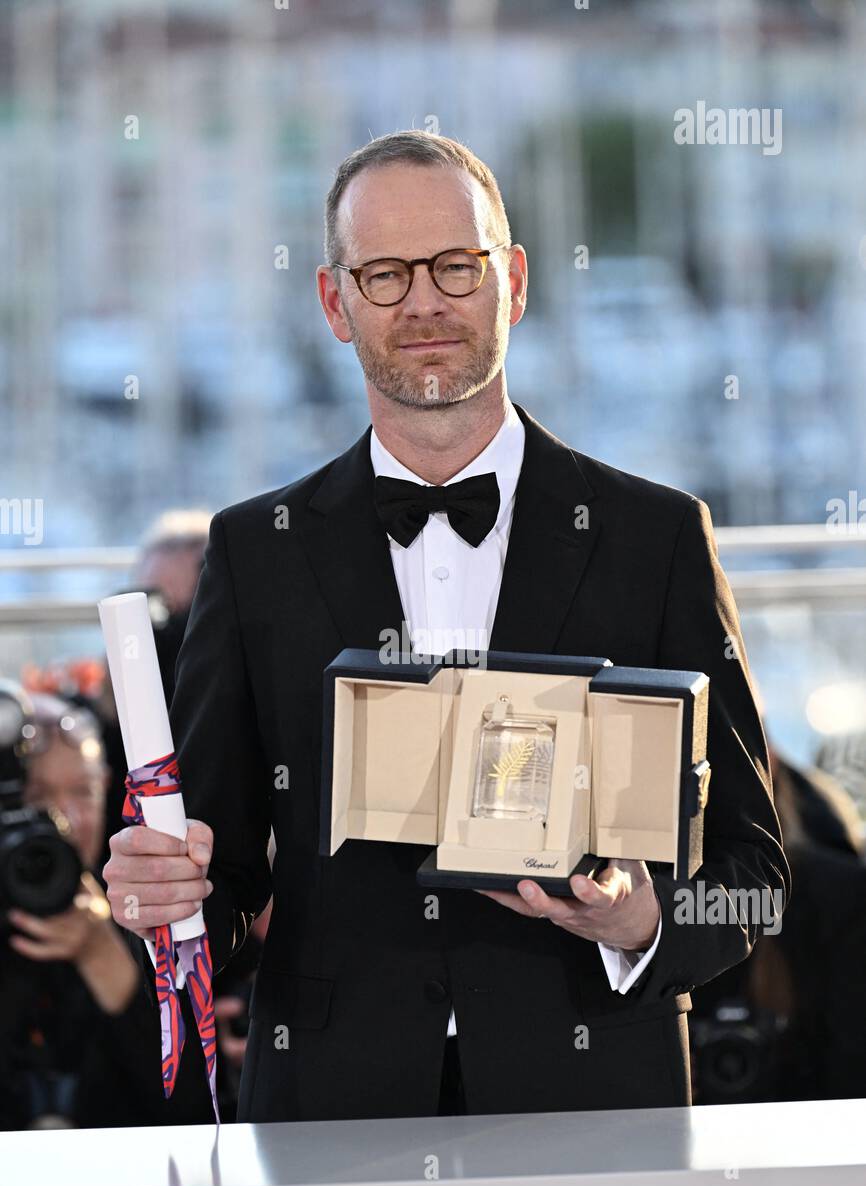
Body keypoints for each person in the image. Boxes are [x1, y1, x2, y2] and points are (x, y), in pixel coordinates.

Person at [103, 130, 790, 1122]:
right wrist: (165, 900)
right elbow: (227, 891)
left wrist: (641, 920)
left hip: (596, 1104)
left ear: (510, 281)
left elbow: (753, 875)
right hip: (331, 1113)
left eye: (454, 267)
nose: (422, 301)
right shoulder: (254, 550)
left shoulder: (657, 536)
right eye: (382, 273)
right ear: (335, 304)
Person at [0, 691, 213, 1128]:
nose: (65, 819)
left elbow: (193, 1113)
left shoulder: (148, 913)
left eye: (83, 791)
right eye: (38, 797)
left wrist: (101, 952)